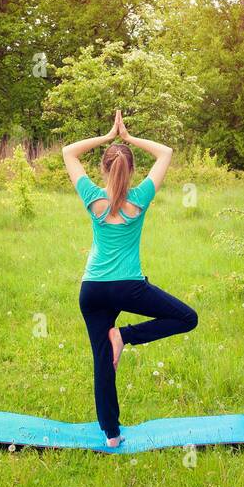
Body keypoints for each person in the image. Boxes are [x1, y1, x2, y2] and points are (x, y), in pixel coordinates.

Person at [61, 110, 197, 447]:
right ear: (132, 170)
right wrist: (128, 138)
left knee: (102, 361)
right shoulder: (140, 199)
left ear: (104, 168)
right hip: (129, 288)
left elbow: (68, 152)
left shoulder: (94, 200)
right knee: (187, 318)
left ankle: (111, 434)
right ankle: (124, 336)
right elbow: (165, 152)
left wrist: (109, 137)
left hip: (91, 291)